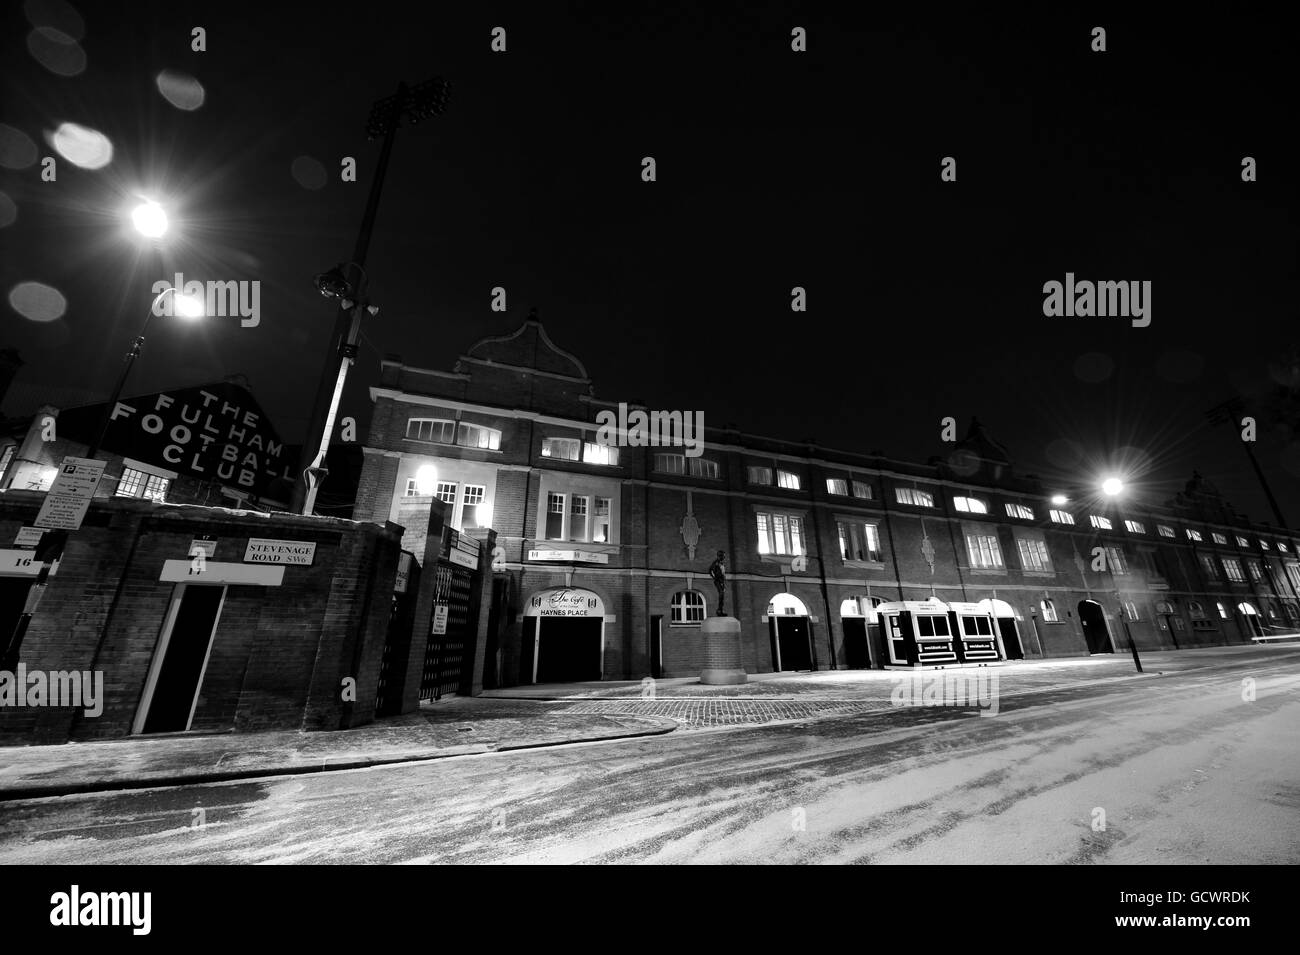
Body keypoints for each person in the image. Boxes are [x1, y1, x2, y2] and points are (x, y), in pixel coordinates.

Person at [708, 550, 727, 616]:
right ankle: (719, 610)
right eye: (723, 556)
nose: (724, 557)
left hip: (722, 581)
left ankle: (721, 610)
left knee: (722, 595)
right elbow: (710, 571)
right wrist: (715, 577)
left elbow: (722, 572)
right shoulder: (716, 563)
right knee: (721, 594)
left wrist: (723, 580)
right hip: (718, 581)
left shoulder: (721, 563)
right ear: (720, 556)